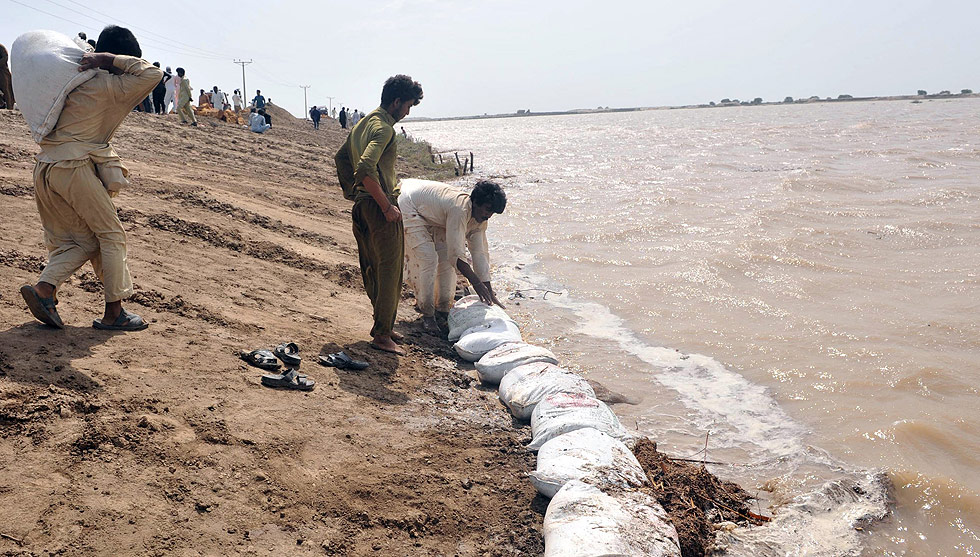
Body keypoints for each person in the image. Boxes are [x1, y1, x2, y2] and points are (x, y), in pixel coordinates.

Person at [19, 25, 162, 331]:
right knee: (111, 235)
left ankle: (45, 290)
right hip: (74, 167)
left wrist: (99, 59)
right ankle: (115, 314)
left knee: (83, 240)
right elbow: (152, 74)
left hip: (46, 167)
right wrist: (111, 60)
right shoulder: (113, 86)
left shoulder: (74, 78)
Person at [334, 74, 423, 355]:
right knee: (390, 271)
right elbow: (364, 167)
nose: (408, 112)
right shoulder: (385, 129)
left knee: (372, 267)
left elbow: (341, 158)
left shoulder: (363, 123)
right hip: (379, 207)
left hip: (362, 205)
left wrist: (354, 192)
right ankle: (383, 334)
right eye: (408, 105)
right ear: (396, 102)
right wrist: (386, 206)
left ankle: (383, 325)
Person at [398, 181, 506, 333]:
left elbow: (479, 253)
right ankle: (428, 315)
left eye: (492, 212)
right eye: (487, 210)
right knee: (429, 259)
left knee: (446, 263)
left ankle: (442, 309)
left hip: (436, 213)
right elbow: (457, 254)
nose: (488, 216)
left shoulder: (480, 219)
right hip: (411, 204)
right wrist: (476, 283)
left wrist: (489, 290)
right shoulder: (459, 210)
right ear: (475, 202)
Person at [0, 43, 14, 110]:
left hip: (3, 71)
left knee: (6, 89)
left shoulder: (1, 47)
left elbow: (5, 57)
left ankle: (9, 107)